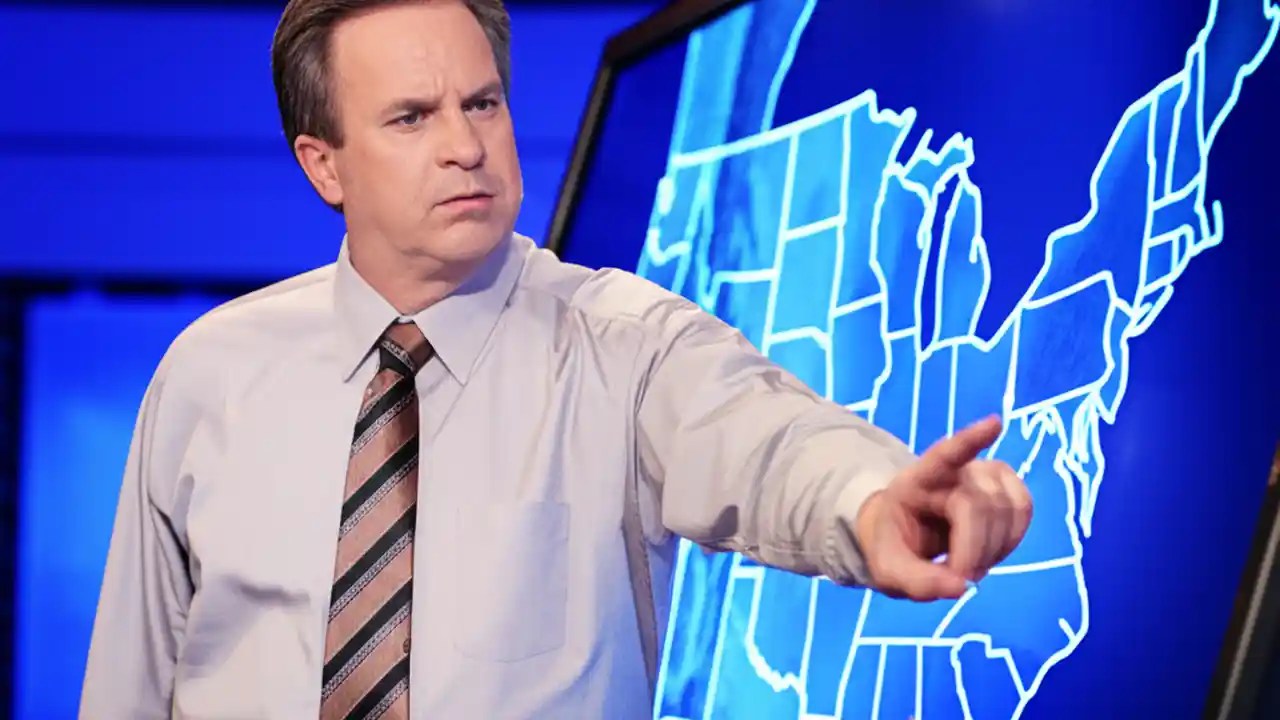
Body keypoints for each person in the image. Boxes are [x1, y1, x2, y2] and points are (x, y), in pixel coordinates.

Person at [78, 0, 1032, 717]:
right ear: (324, 164)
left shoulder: (623, 343)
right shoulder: (211, 373)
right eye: (412, 118)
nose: (466, 146)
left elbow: (772, 439)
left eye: (483, 103)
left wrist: (877, 502)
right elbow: (129, 683)